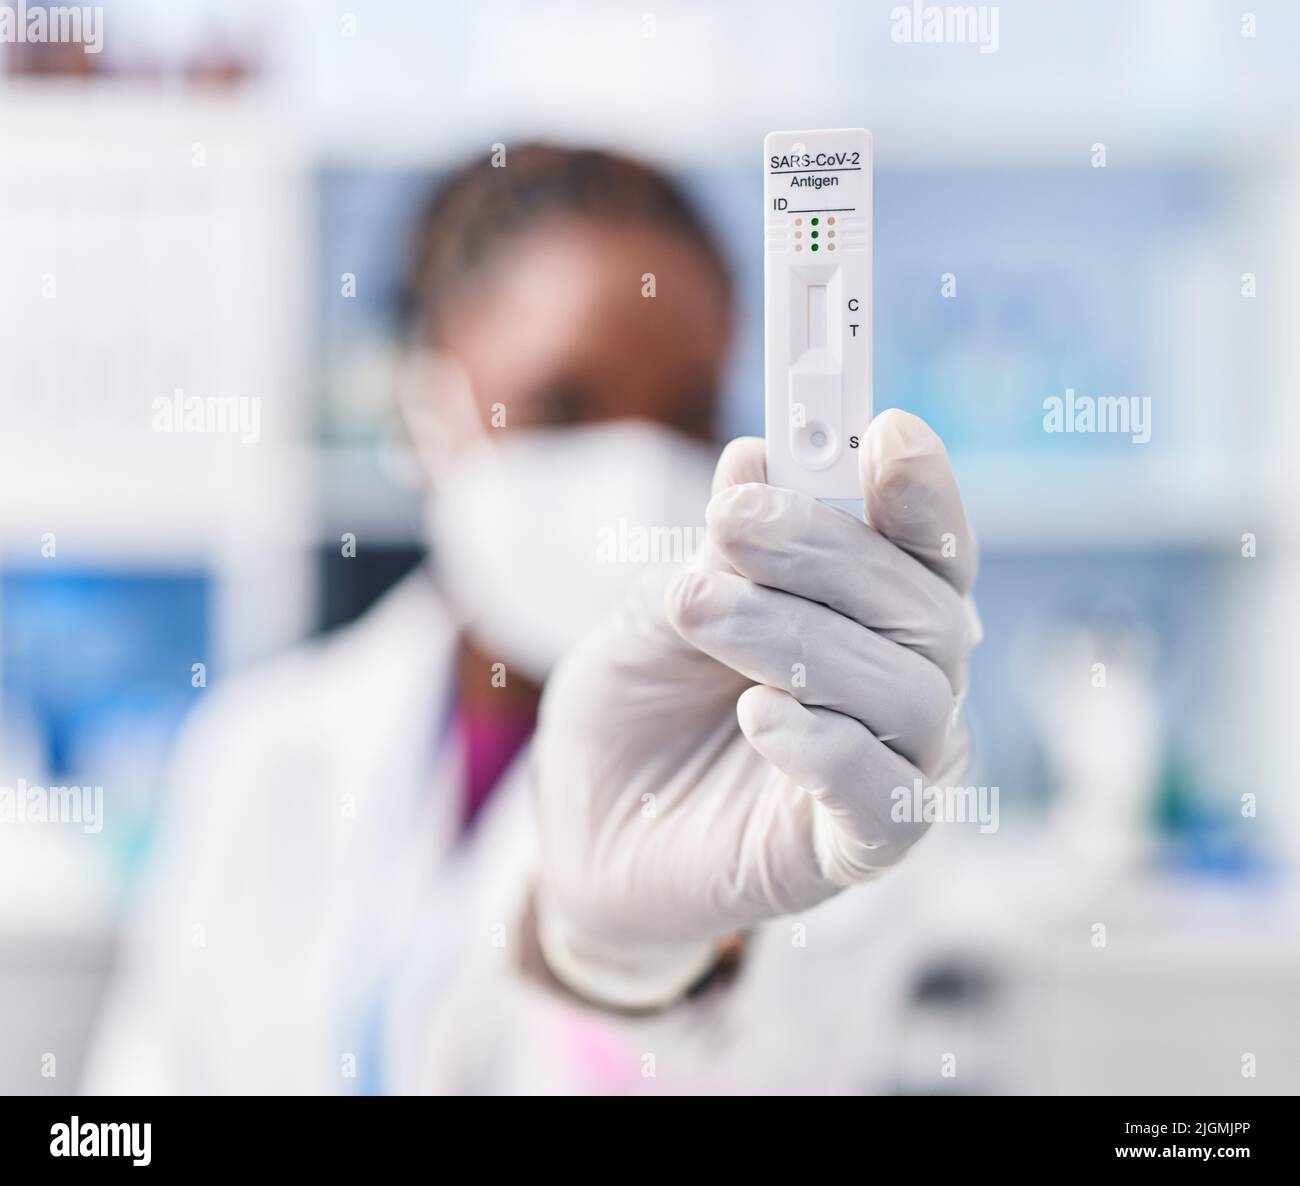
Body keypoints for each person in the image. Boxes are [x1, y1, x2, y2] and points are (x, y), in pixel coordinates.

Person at [84, 145, 979, 1094]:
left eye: (685, 415)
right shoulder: (263, 750)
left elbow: (789, 1065)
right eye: (561, 409)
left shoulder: (810, 773)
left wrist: (638, 962)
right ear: (427, 407)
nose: (635, 469)